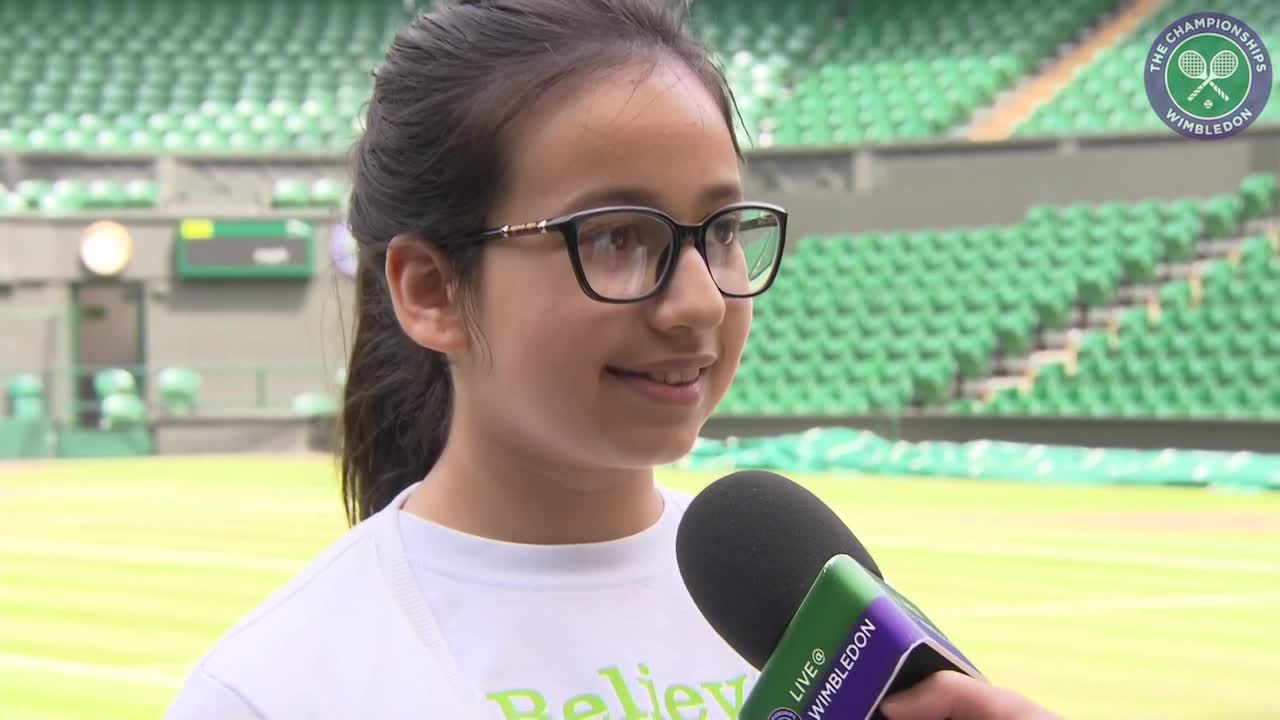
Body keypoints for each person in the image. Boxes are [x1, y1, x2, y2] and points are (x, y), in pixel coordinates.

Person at [166, 1, 1057, 718]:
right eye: (617, 238)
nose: (702, 300)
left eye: (722, 231)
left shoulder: (800, 607)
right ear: (431, 290)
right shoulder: (274, 689)